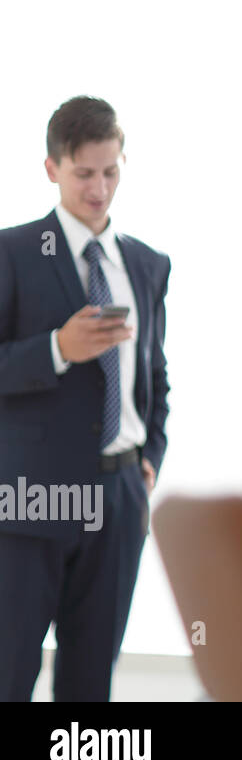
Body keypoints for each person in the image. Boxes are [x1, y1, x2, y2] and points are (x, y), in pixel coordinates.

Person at [0, 96, 170, 700]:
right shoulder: (12, 254)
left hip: (120, 496)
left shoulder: (148, 265)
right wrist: (56, 348)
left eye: (111, 171)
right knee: (10, 669)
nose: (99, 189)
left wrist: (150, 458)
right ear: (52, 168)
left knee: (90, 680)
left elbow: (155, 376)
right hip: (34, 496)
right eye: (84, 174)